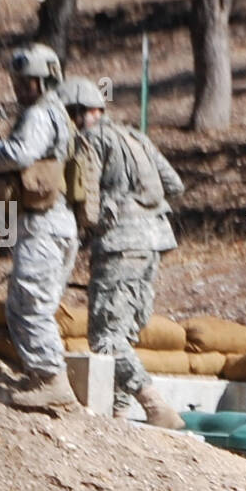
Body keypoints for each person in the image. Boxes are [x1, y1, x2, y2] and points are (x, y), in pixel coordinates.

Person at [57, 76, 185, 428]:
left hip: (119, 246)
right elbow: (174, 185)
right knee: (123, 333)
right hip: (153, 244)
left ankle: (156, 404)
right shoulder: (136, 137)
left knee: (104, 337)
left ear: (81, 114)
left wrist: (87, 224)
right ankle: (119, 416)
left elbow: (89, 200)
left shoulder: (90, 140)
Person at [0, 43, 80, 412]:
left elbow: (19, 155)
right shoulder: (55, 113)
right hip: (55, 224)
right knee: (35, 303)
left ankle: (52, 380)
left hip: (43, 226)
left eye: (29, 83)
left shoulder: (39, 115)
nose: (22, 90)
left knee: (28, 305)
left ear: (47, 81)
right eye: (18, 83)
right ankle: (44, 378)